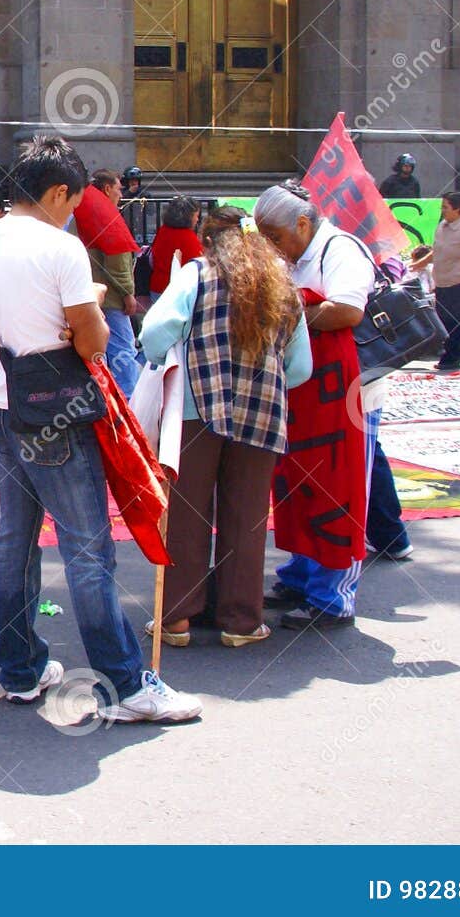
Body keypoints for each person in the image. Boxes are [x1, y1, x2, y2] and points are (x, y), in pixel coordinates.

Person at [0, 134, 203, 723]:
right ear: (59, 191)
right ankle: (124, 684)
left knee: (14, 544)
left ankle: (19, 670)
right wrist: (85, 307)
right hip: (60, 413)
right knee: (88, 550)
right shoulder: (60, 248)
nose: (76, 212)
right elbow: (93, 343)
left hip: (2, 404)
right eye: (75, 200)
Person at [138, 206, 310, 648]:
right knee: (247, 518)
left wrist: (169, 360)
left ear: (208, 241)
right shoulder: (283, 284)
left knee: (188, 514)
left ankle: (176, 619)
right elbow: (301, 367)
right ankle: (241, 621)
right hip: (263, 413)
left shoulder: (196, 275)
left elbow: (154, 333)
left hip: (197, 408)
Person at [254, 182, 385, 622]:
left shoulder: (340, 249)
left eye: (274, 236)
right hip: (304, 394)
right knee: (299, 484)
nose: (271, 247)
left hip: (348, 397)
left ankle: (334, 595)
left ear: (304, 224)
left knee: (339, 487)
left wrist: (286, 318)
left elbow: (348, 310)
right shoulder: (294, 253)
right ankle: (302, 575)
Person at [72, 169, 142, 397]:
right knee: (123, 351)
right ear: (107, 188)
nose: (120, 194)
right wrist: (127, 292)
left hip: (89, 294)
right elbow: (118, 256)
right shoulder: (102, 211)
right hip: (111, 298)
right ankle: (130, 402)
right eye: (118, 189)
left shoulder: (84, 207)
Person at [414, 192, 460, 373]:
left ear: (457, 209)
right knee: (444, 319)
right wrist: (419, 264)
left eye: (446, 207)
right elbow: (436, 251)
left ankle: (451, 357)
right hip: (442, 281)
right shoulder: (442, 227)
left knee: (454, 321)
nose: (442, 211)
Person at [148, 196, 203, 297]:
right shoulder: (189, 237)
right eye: (196, 216)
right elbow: (198, 266)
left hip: (157, 287)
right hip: (178, 291)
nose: (197, 219)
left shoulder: (163, 231)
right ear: (189, 216)